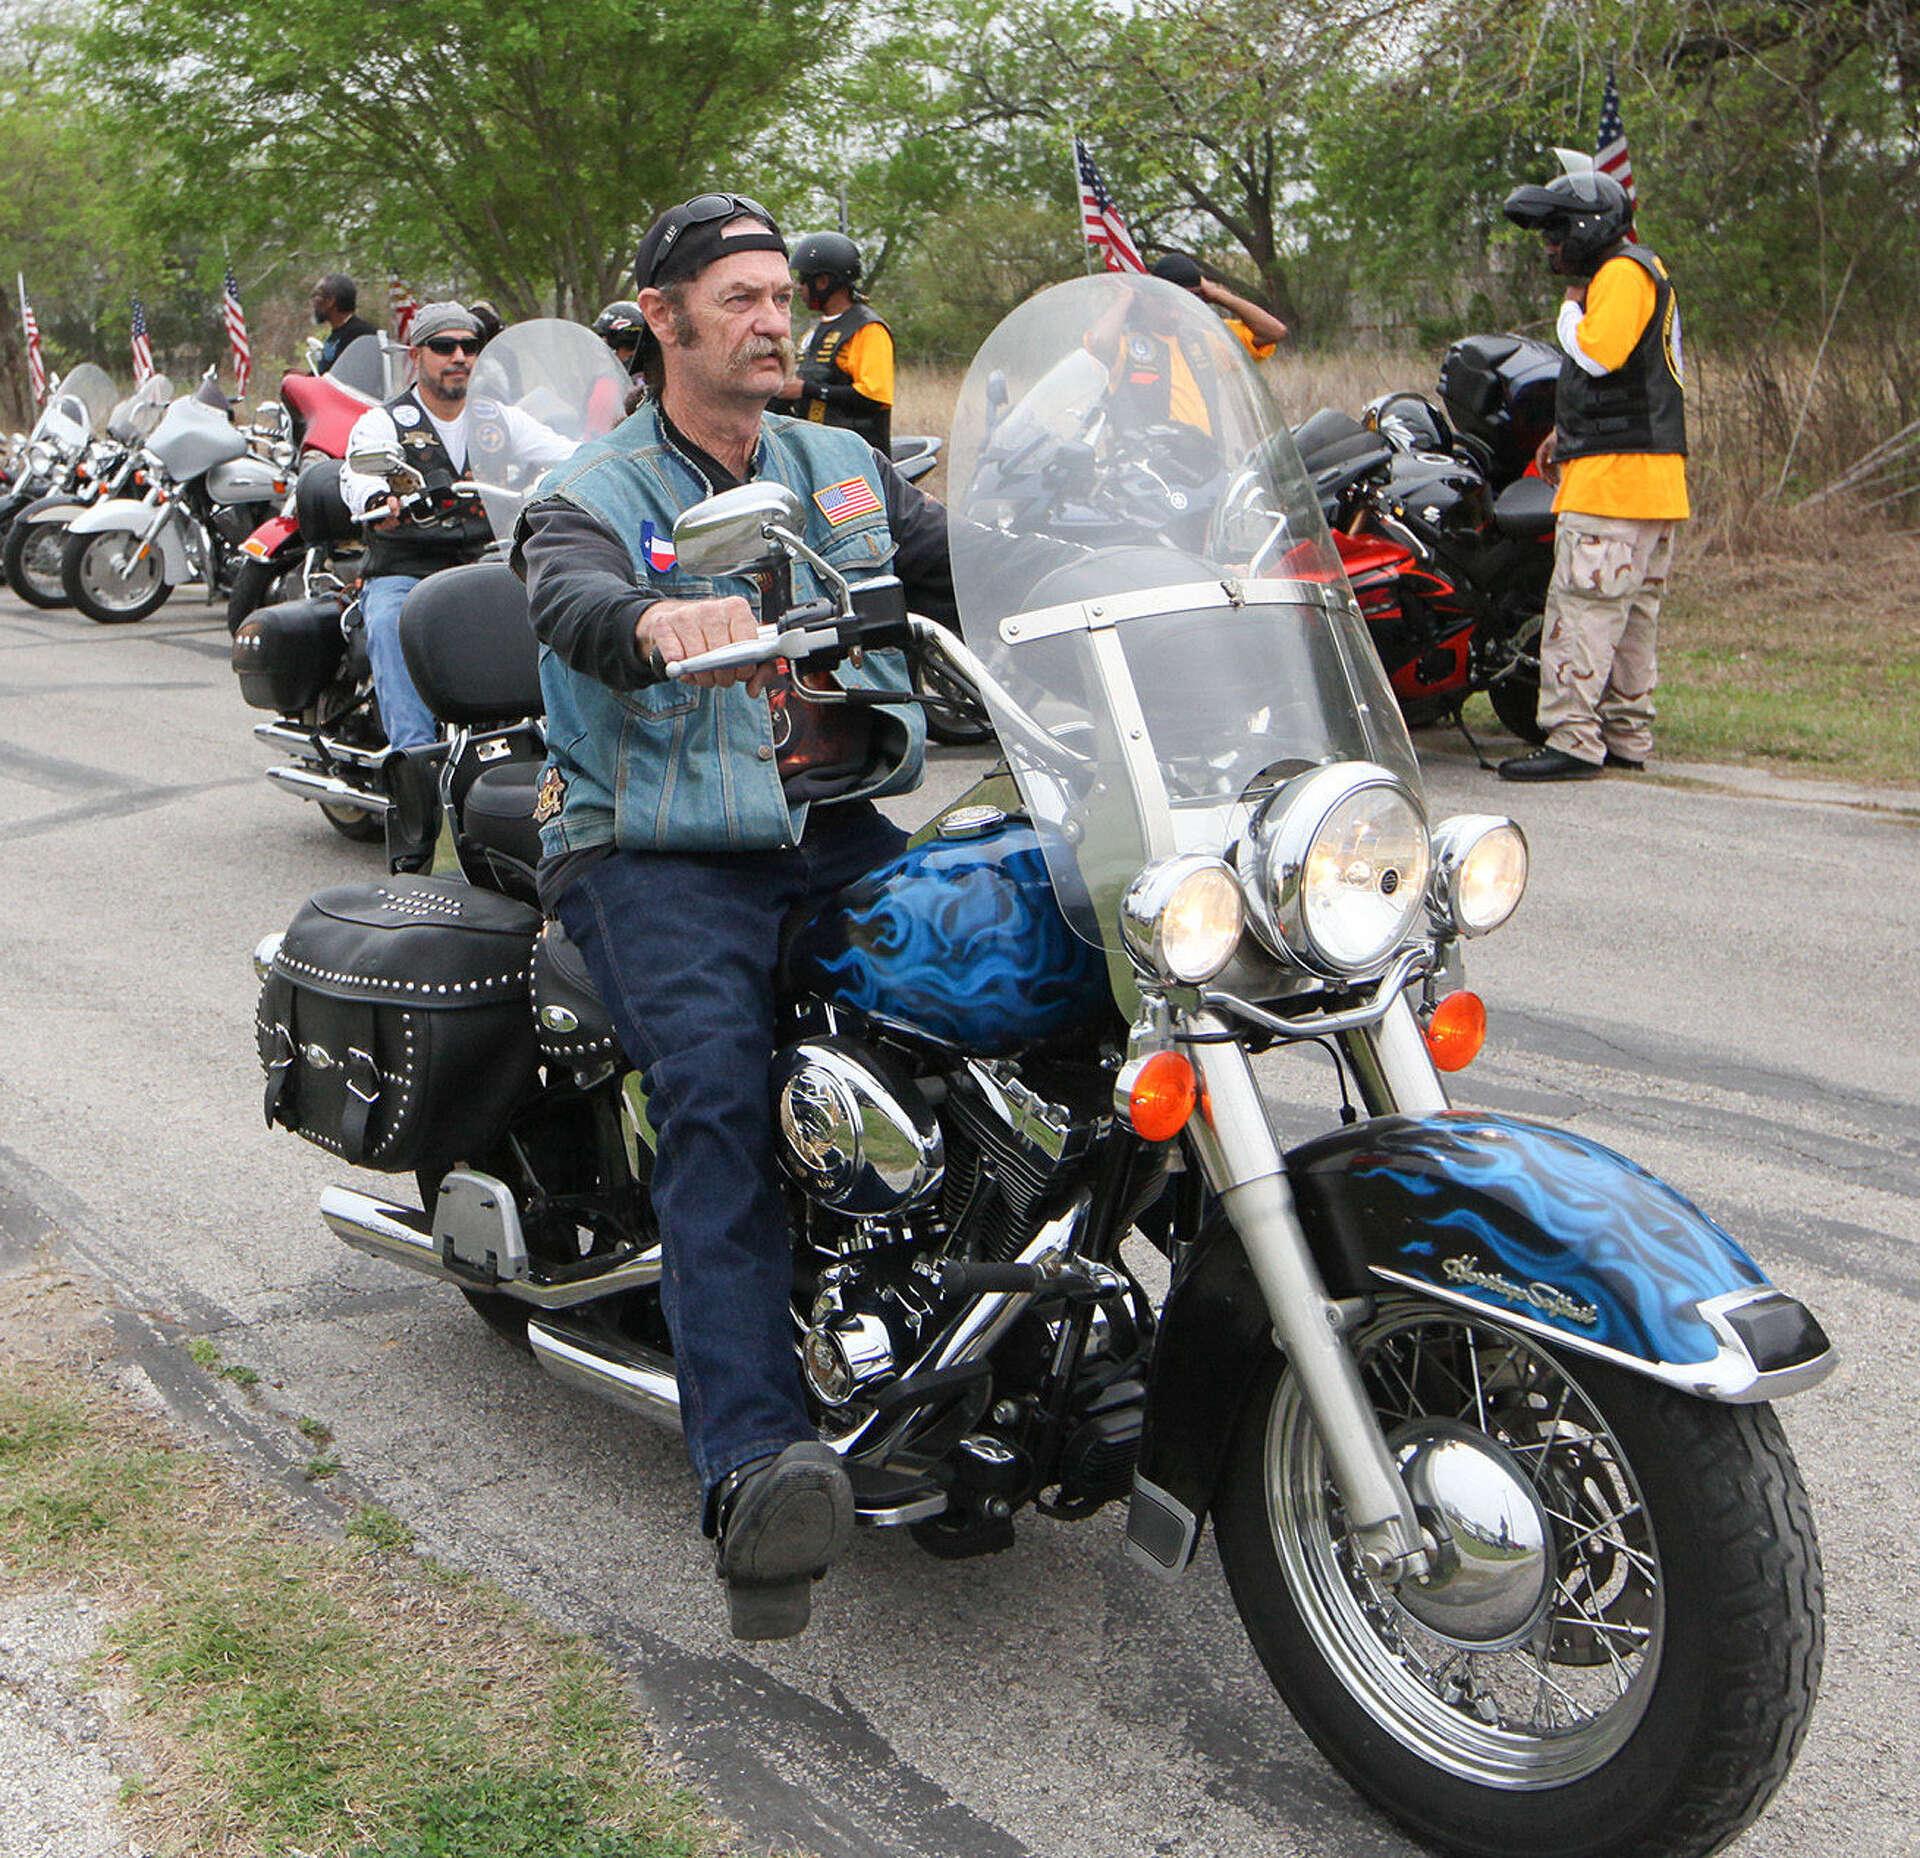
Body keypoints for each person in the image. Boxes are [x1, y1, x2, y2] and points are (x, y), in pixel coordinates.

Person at [513, 193, 953, 1642]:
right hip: (655, 848)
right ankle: (754, 1468)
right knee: (714, 1087)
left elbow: (966, 553)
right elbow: (570, 593)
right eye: (747, 300)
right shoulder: (595, 490)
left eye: (787, 298)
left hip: (829, 827)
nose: (781, 321)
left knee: (1048, 959)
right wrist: (653, 621)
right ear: (667, 320)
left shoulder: (838, 462)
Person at [1496, 170, 1688, 781]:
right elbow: (1628, 376)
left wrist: (1566, 315)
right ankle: (1627, 737)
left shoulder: (1621, 274)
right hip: (1650, 481)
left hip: (1612, 486)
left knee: (1581, 612)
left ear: (1587, 227)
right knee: (1631, 620)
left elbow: (1598, 352)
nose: (1550, 245)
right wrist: (1565, 435)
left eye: (1556, 231)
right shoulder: (1641, 271)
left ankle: (1573, 740)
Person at [339, 302, 572, 761]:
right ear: (417, 355)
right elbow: (358, 471)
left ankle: (560, 743)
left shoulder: (499, 419)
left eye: (469, 346)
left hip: (488, 561)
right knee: (388, 624)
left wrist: (612, 464)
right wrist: (375, 499)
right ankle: (416, 764)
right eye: (444, 346)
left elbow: (569, 452)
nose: (460, 356)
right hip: (406, 569)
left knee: (562, 605)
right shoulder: (384, 421)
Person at [770, 231, 894, 451]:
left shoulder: (868, 329)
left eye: (804, 280)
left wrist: (807, 389)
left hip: (857, 456)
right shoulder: (813, 333)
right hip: (818, 450)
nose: (799, 287)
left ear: (823, 282)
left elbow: (873, 397)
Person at [1149, 252, 1288, 359]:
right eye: (1167, 301)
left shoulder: (1209, 339)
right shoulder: (1130, 340)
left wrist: (1218, 295)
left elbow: (1274, 332)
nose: (1175, 314)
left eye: (1190, 298)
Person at [311, 274, 377, 375]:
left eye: (316, 295)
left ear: (330, 301)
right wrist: (308, 375)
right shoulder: (336, 334)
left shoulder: (361, 335)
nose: (313, 301)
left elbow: (353, 379)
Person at [591, 298, 646, 376]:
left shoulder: (648, 381)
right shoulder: (597, 378)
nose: (600, 352)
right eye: (600, 336)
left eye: (610, 343)